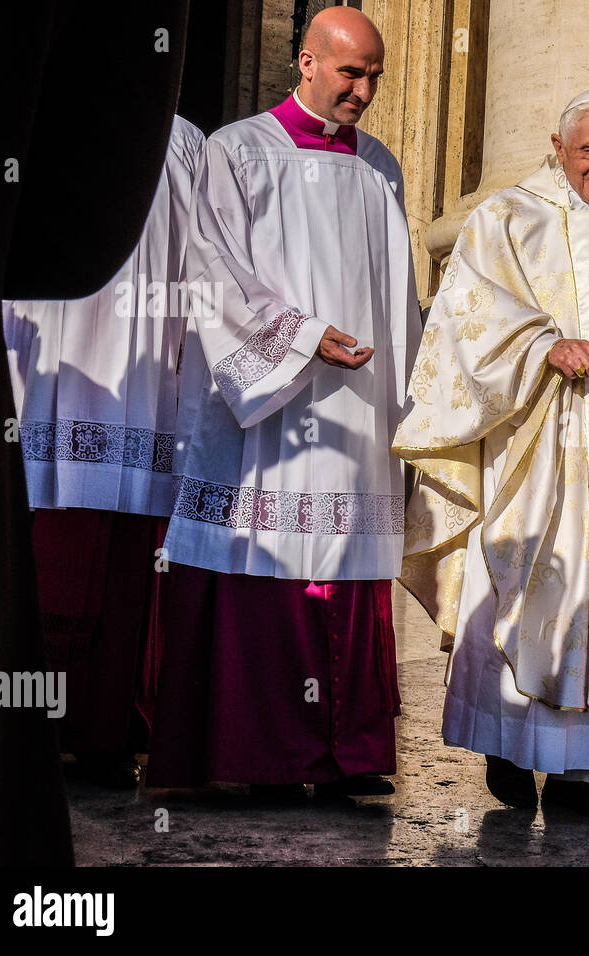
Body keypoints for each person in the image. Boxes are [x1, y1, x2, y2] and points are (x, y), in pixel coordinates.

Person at [392, 89, 589, 821]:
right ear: (557, 144)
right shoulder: (507, 217)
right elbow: (468, 316)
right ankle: (509, 745)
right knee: (526, 582)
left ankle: (586, 776)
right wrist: (544, 345)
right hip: (535, 441)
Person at [147, 6, 422, 803]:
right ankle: (265, 755)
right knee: (268, 563)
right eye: (350, 72)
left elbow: (398, 298)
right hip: (271, 410)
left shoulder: (382, 167)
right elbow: (213, 272)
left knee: (351, 567)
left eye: (375, 75)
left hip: (358, 412)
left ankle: (347, 753)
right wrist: (300, 337)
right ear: (306, 62)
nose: (365, 90)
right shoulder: (237, 151)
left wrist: (409, 397)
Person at [3, 114, 205, 789]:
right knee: (53, 577)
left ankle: (108, 736)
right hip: (58, 389)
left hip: (147, 397)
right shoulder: (51, 117)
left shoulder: (187, 143)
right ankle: (39, 735)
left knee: (127, 593)